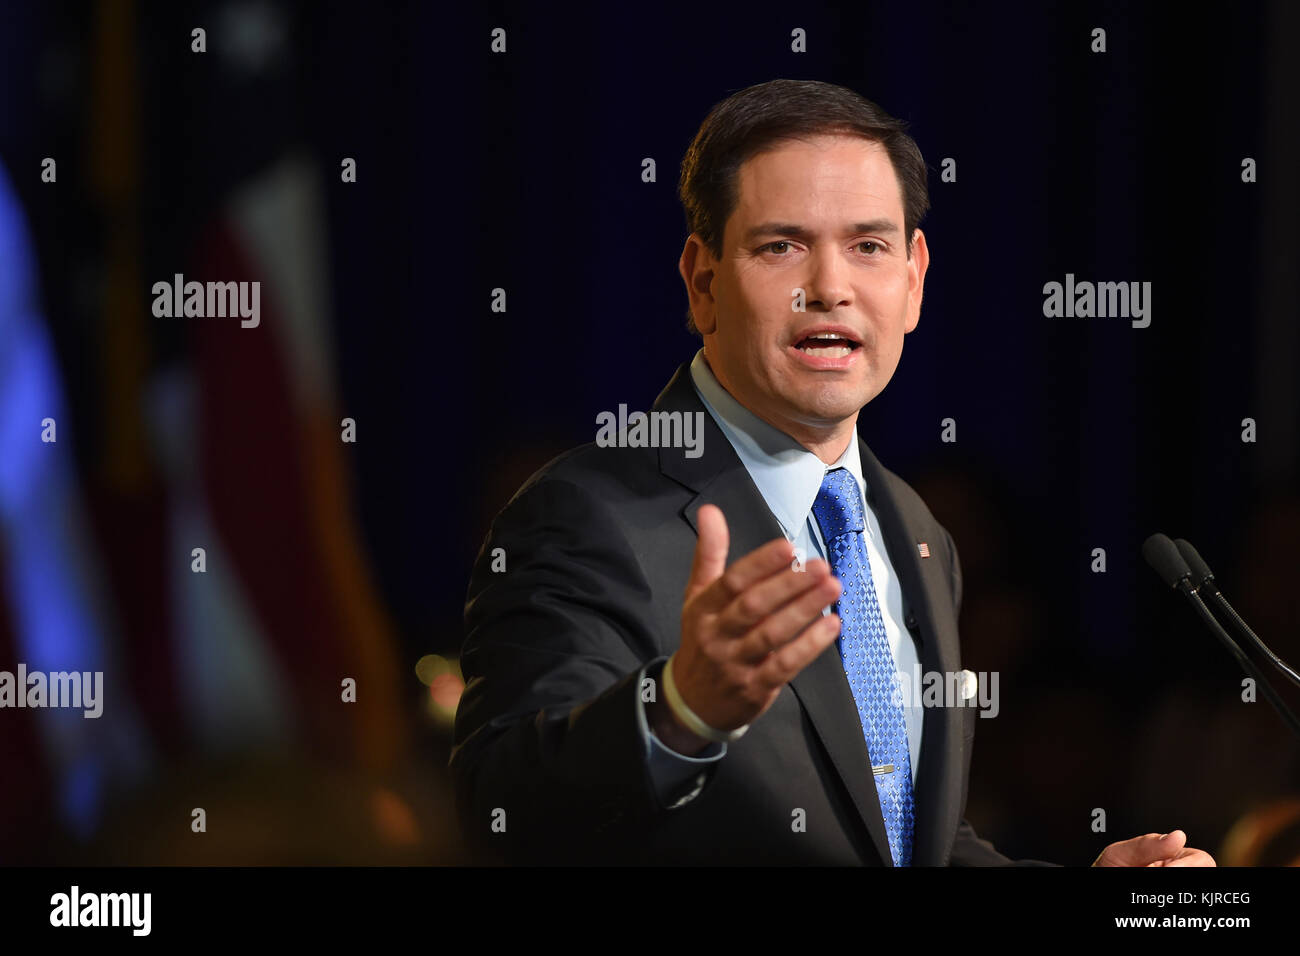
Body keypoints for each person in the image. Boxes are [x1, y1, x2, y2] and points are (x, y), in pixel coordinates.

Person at [449, 78, 1215, 867]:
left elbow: (908, 839)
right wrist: (679, 712)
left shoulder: (918, 530)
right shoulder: (588, 514)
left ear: (913, 280)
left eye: (868, 246)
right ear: (703, 283)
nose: (830, 288)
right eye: (781, 245)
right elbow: (502, 809)